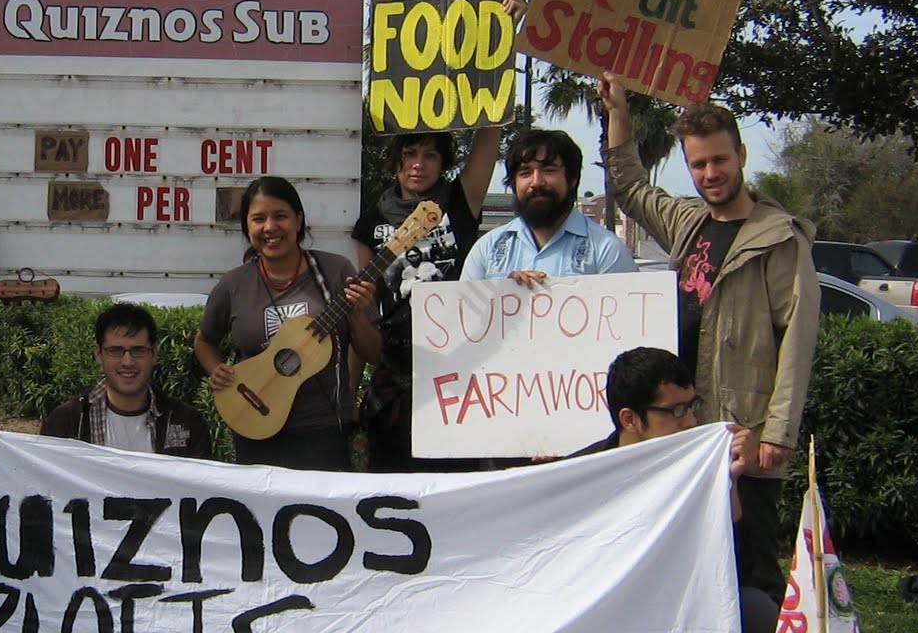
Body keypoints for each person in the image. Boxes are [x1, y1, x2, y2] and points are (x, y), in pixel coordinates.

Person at [600, 73, 820, 633]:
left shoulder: (779, 240)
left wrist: (777, 432)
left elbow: (798, 341)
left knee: (754, 573)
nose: (709, 174)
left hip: (744, 437)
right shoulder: (690, 222)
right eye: (697, 164)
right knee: (694, 573)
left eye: (719, 160)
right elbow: (630, 184)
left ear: (741, 156)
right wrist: (616, 112)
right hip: (682, 438)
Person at [577, 347, 771, 633]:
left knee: (756, 612)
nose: (689, 422)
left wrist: (730, 485)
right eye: (675, 411)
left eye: (692, 406)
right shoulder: (585, 471)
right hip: (606, 615)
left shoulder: (708, 466)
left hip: (684, 611)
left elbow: (738, 571)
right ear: (630, 419)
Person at [195, 176, 381, 471]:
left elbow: (373, 353)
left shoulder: (336, 272)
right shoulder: (234, 284)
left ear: (298, 219)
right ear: (247, 226)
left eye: (280, 216)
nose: (270, 227)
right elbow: (205, 341)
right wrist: (216, 370)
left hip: (324, 430)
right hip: (252, 421)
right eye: (258, 219)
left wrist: (357, 314)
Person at [351, 123, 501, 469]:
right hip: (395, 376)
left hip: (456, 371)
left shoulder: (459, 202)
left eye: (430, 155)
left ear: (443, 162)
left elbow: (489, 135)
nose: (419, 164)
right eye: (410, 153)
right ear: (396, 160)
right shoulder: (370, 222)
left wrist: (490, 81)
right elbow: (365, 312)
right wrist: (350, 395)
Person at [460, 126, 638, 286]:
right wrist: (505, 296)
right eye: (525, 172)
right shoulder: (487, 248)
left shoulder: (607, 250)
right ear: (513, 183)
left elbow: (625, 317)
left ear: (572, 179)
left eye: (549, 170)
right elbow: (467, 313)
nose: (536, 182)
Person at [41, 303, 212, 458]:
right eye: (116, 350)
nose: (127, 362)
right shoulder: (66, 422)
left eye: (138, 351)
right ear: (99, 355)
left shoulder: (187, 422)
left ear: (153, 354)